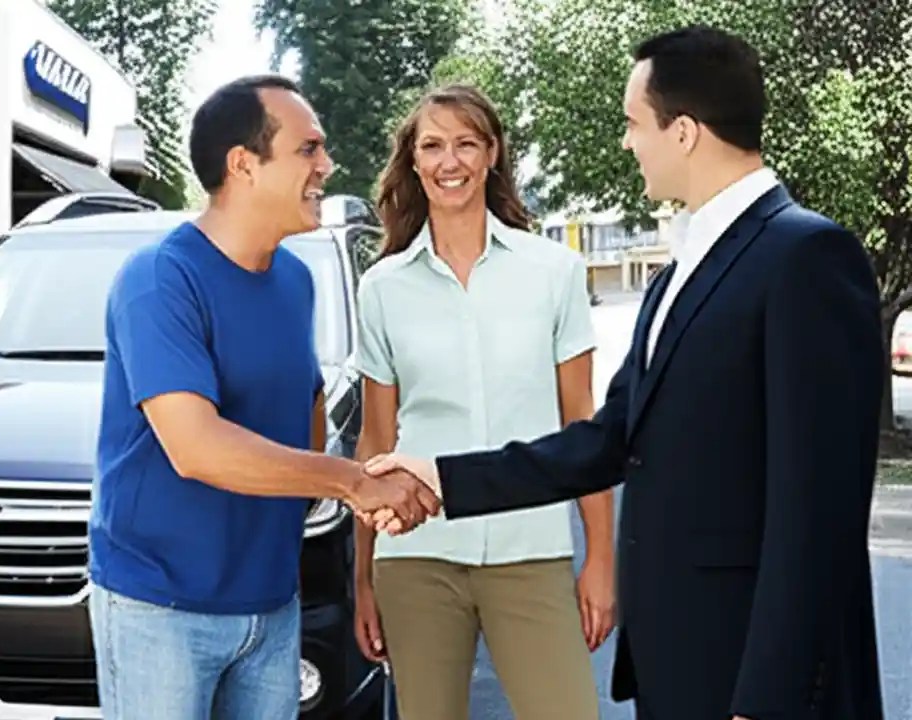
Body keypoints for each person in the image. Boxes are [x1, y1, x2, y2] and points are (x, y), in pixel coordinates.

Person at [367, 25, 886, 720]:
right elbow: (608, 439)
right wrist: (444, 476)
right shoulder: (679, 274)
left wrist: (766, 696)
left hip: (753, 682)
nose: (625, 141)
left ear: (685, 133)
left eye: (633, 123)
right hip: (682, 664)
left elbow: (819, 511)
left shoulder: (806, 255)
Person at [87, 74, 441, 720]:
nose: (326, 166)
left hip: (272, 606)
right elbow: (196, 448)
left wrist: (366, 479)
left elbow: (302, 414)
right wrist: (353, 482)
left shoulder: (295, 283)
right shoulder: (160, 280)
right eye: (308, 149)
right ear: (243, 165)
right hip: (160, 612)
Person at [350, 84, 613, 720]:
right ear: (412, 161)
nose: (450, 162)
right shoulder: (382, 287)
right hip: (416, 554)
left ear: (492, 154)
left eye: (466, 143)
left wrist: (601, 558)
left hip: (531, 548)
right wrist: (362, 578)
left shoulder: (553, 271)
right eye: (433, 145)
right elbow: (375, 442)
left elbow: (583, 425)